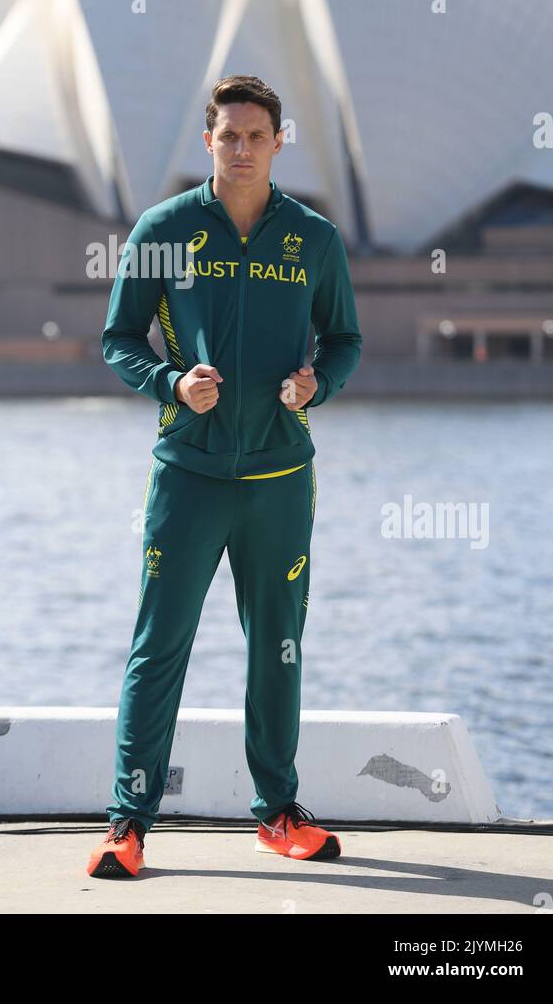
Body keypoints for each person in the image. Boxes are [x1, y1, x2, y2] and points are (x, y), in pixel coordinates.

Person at [86, 74, 362, 879]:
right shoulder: (165, 230)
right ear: (207, 141)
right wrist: (171, 383)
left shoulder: (313, 238)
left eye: (255, 136)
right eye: (227, 135)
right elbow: (118, 337)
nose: (241, 148)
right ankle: (127, 825)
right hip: (189, 473)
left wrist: (320, 384)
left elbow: (343, 339)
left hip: (280, 475)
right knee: (158, 645)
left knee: (277, 647)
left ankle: (278, 814)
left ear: (280, 143)